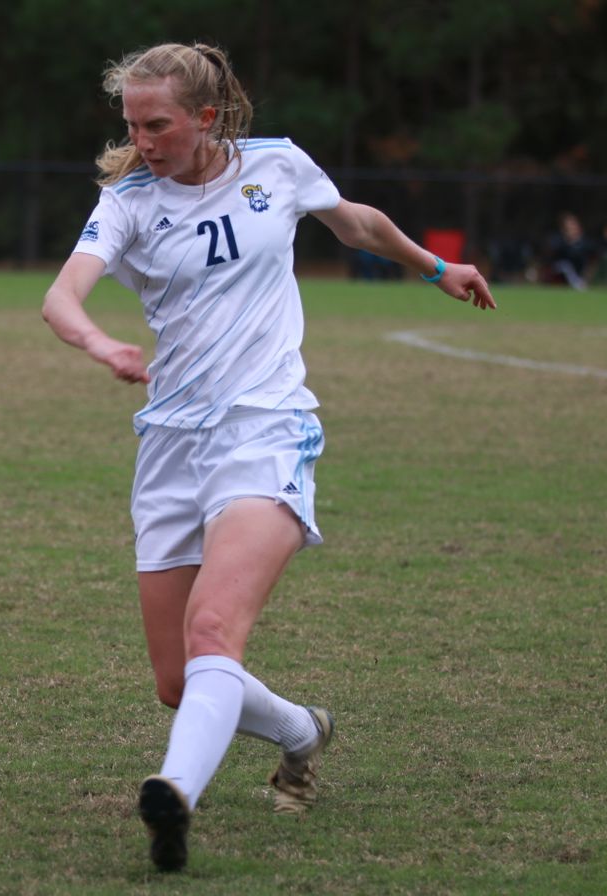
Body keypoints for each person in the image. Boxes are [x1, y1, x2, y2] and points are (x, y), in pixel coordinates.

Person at [41, 42, 495, 873]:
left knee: (214, 631)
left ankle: (174, 793)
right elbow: (61, 295)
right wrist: (101, 343)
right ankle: (302, 731)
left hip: (266, 425)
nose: (142, 141)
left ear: (207, 117)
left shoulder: (276, 165)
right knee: (177, 681)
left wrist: (436, 266)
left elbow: (355, 222)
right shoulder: (128, 202)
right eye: (132, 125)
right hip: (169, 445)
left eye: (158, 124)